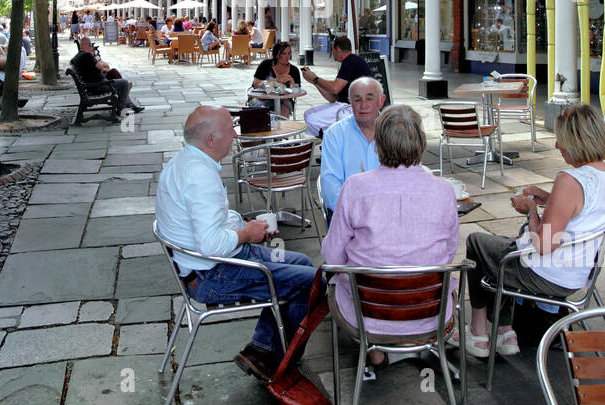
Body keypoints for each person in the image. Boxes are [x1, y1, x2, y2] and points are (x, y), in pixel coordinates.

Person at [155, 105, 318, 383]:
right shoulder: (200, 177)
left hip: (209, 262)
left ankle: (263, 348)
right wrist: (246, 234)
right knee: (314, 282)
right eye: (230, 129)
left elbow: (211, 223)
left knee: (302, 263)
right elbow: (211, 245)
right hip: (214, 274)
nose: (235, 135)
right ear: (210, 140)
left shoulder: (186, 162)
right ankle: (272, 358)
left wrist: (242, 225)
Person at [465, 103, 605, 358]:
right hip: (579, 273)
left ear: (576, 142)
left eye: (562, 140)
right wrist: (549, 199)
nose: (558, 146)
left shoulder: (570, 180)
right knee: (505, 248)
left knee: (477, 244)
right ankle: (505, 332)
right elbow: (585, 212)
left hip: (549, 275)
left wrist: (530, 210)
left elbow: (543, 245)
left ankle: (480, 332)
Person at [322, 105, 458, 373]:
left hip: (367, 317)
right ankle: (408, 343)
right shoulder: (444, 191)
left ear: (379, 144)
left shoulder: (355, 187)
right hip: (431, 314)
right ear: (420, 143)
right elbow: (449, 250)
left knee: (335, 281)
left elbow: (332, 256)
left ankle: (374, 350)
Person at [319, 76, 385, 225]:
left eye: (369, 98)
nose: (363, 105)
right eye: (357, 99)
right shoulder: (335, 134)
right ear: (350, 102)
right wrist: (361, 217)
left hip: (388, 215)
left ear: (381, 101)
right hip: (347, 217)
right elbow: (331, 189)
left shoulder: (394, 132)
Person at [300, 36, 375, 136]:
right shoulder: (348, 62)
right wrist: (315, 82)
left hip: (352, 108)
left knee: (312, 119)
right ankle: (333, 138)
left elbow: (335, 88)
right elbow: (332, 98)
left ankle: (334, 140)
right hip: (344, 105)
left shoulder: (351, 61)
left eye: (333, 49)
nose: (332, 52)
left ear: (338, 49)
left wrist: (315, 78)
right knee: (308, 114)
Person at [70, 37, 142, 113]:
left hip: (91, 85)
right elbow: (101, 67)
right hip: (97, 86)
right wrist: (92, 55)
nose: (91, 47)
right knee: (124, 83)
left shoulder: (77, 56)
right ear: (87, 45)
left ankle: (129, 104)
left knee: (114, 75)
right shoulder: (87, 55)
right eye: (90, 45)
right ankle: (121, 108)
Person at [251, 41, 302, 117]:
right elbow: (256, 84)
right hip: (263, 98)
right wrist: (276, 80)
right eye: (283, 53)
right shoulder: (266, 65)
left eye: (289, 53)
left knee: (285, 107)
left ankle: (283, 127)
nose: (287, 56)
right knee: (258, 106)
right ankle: (262, 127)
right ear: (276, 55)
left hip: (285, 100)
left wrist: (292, 81)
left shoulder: (294, 70)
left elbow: (297, 91)